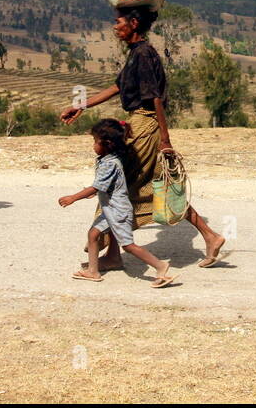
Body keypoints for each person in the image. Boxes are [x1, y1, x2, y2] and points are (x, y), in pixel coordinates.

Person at [59, 6, 227, 268]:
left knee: (119, 185)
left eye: (118, 22)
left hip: (146, 125)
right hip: (140, 123)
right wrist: (81, 106)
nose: (115, 27)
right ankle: (208, 235)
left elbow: (154, 97)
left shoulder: (145, 53)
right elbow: (117, 86)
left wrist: (165, 138)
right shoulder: (135, 54)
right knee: (151, 186)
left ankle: (116, 254)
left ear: (134, 23)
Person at [59, 118, 177, 287]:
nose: (93, 145)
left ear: (107, 144)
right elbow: (103, 185)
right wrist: (98, 190)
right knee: (93, 234)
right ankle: (93, 271)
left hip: (118, 211)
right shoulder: (110, 157)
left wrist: (73, 198)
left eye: (95, 141)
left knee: (128, 245)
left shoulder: (110, 163)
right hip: (110, 209)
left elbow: (95, 186)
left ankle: (160, 266)